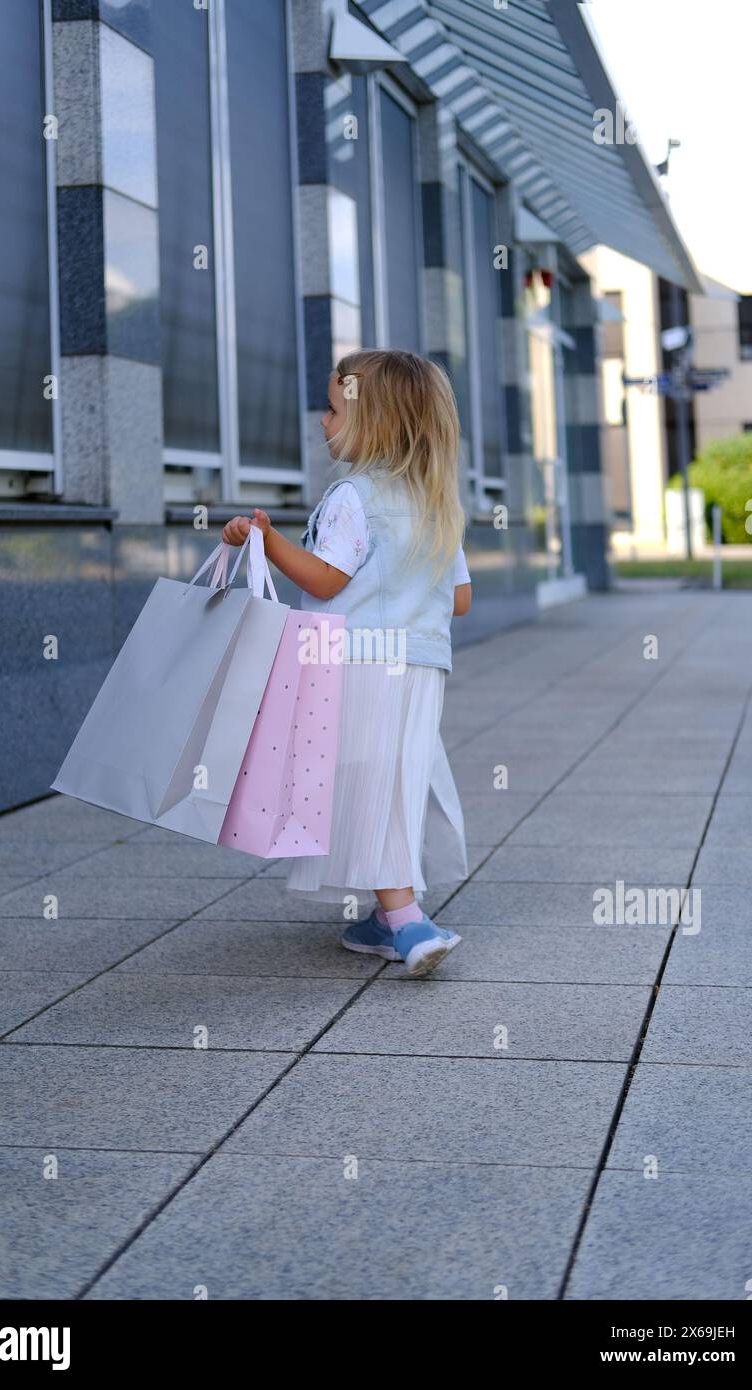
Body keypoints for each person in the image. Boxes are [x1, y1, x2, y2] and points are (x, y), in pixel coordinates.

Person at [222, 348, 472, 978]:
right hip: (419, 664)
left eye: (333, 410)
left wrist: (268, 538)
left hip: (354, 662)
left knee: (360, 779)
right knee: (392, 779)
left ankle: (408, 920)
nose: (323, 422)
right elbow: (460, 599)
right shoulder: (436, 499)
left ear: (373, 421)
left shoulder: (351, 497)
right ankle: (383, 919)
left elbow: (327, 581)